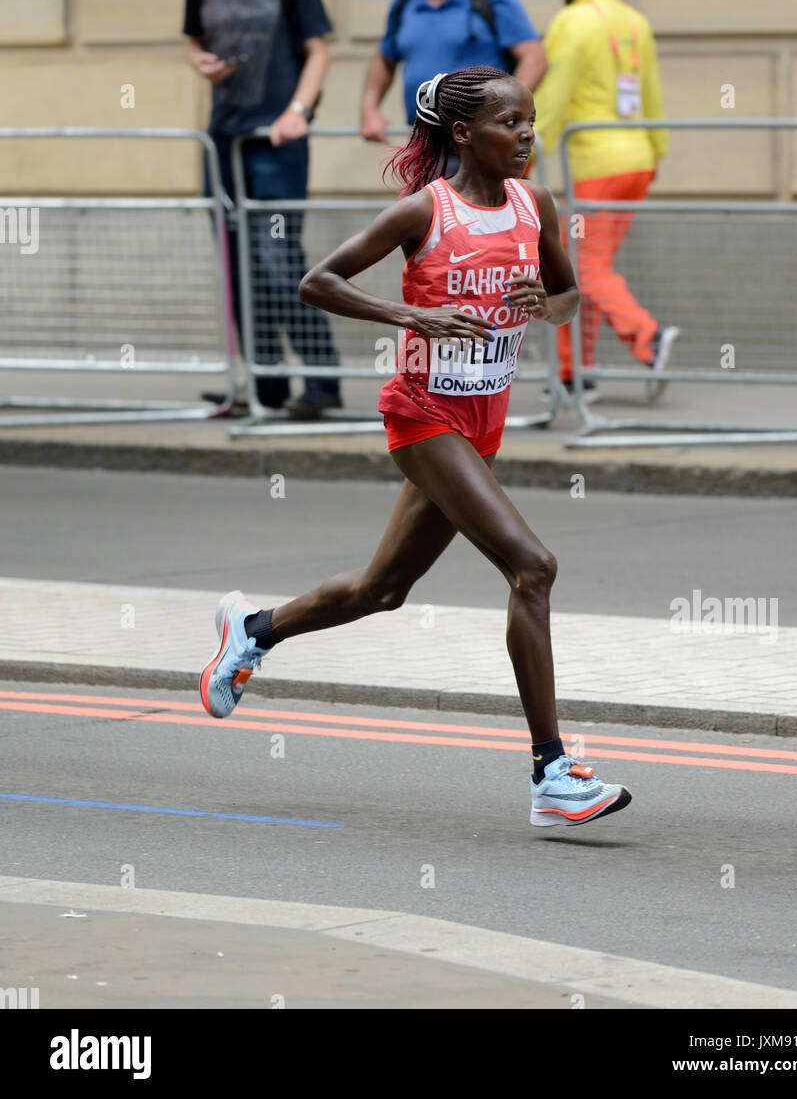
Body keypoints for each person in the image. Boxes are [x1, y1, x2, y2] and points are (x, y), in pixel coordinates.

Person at [199, 65, 632, 830]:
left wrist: (548, 303)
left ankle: (254, 631)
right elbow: (317, 281)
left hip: (483, 422)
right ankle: (552, 772)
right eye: (510, 124)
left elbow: (565, 297)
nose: (527, 135)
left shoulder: (536, 204)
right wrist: (412, 317)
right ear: (464, 135)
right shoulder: (422, 212)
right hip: (423, 415)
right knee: (532, 567)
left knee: (382, 589)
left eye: (530, 121)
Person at [183, 0, 343, 418]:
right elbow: (193, 43)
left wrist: (297, 111)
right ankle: (265, 382)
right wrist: (201, 62)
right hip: (224, 140)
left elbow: (319, 51)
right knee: (236, 263)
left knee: (277, 261)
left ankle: (322, 381)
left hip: (275, 144)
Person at [535, 0, 679, 403]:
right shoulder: (636, 21)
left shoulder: (572, 22)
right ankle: (576, 373)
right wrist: (657, 150)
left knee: (582, 268)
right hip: (636, 160)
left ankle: (647, 337)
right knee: (587, 265)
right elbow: (651, 91)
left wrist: (527, 151)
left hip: (596, 165)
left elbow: (554, 93)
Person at [360, 0, 547, 168]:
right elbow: (385, 58)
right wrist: (369, 108)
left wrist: (507, 113)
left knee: (480, 209)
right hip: (425, 144)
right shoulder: (405, 0)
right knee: (429, 209)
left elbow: (535, 58)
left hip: (481, 146)